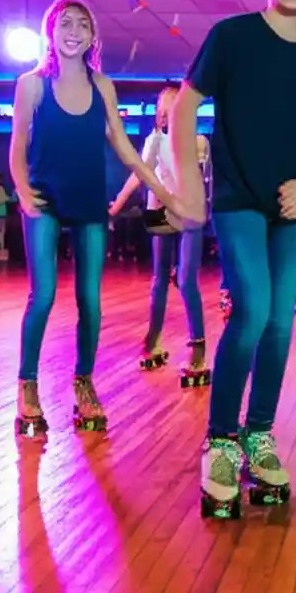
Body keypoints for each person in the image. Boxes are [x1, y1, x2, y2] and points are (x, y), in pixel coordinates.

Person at [172, 0, 296, 518]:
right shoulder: (232, 37)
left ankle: (258, 433)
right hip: (238, 200)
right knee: (252, 313)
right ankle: (220, 440)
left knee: (281, 324)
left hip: (292, 206)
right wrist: (189, 188)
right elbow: (186, 106)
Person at [8, 0, 199, 440]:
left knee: (90, 301)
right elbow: (17, 147)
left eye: (82, 25)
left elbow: (128, 150)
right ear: (50, 32)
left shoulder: (103, 87)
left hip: (90, 201)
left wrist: (167, 194)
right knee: (44, 295)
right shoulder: (31, 85)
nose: (73, 31)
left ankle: (83, 380)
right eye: (65, 23)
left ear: (93, 36)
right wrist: (21, 190)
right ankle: (27, 383)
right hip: (44, 200)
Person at [110, 83, 213, 385]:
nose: (166, 117)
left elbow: (194, 176)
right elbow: (139, 173)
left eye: (172, 110)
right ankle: (152, 340)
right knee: (159, 280)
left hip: (189, 214)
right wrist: (117, 203)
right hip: (161, 212)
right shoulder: (153, 141)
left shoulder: (199, 142)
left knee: (185, 279)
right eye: (162, 112)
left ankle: (198, 346)